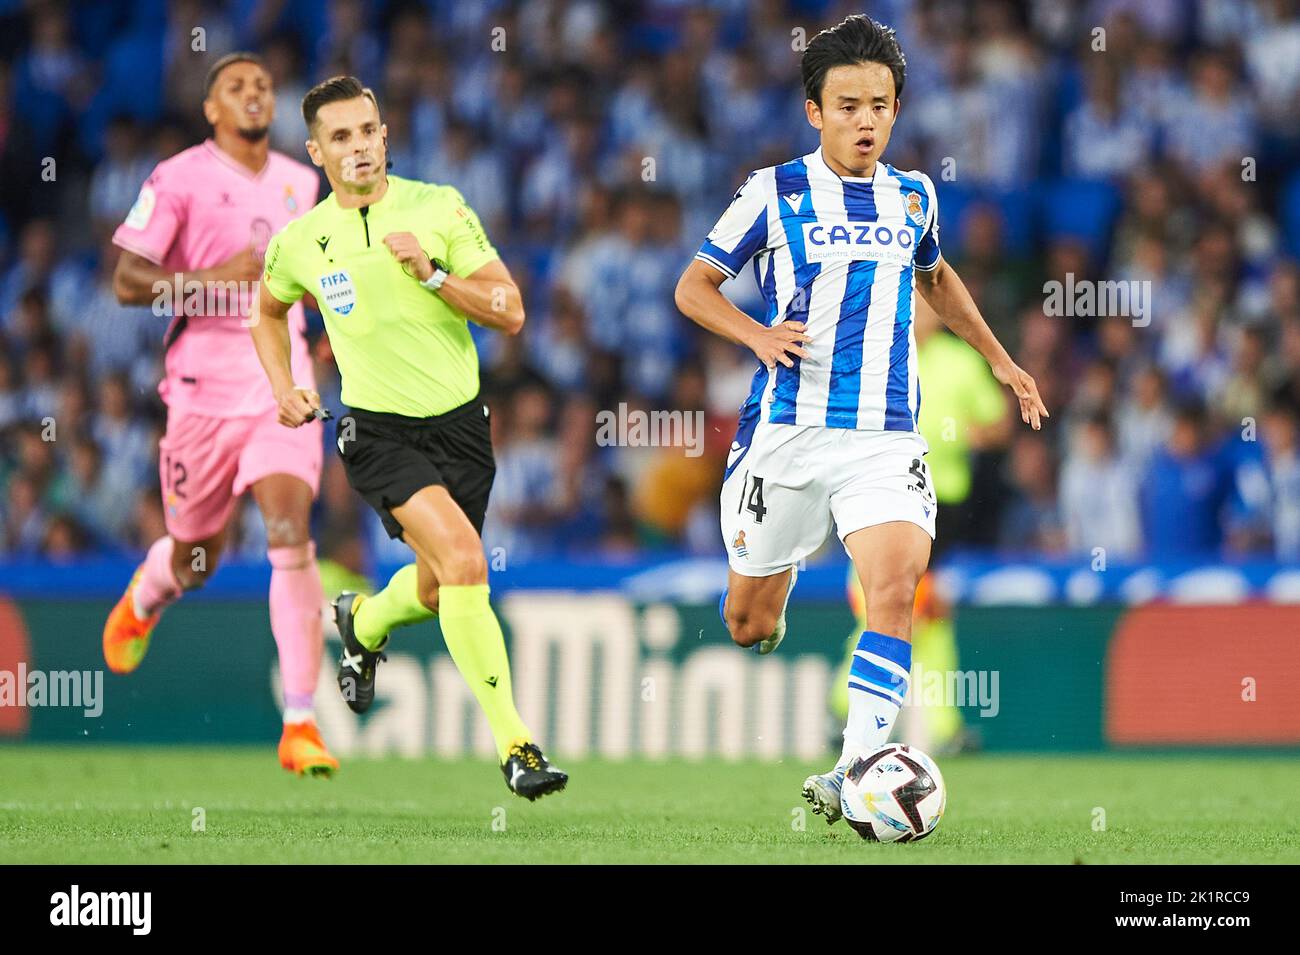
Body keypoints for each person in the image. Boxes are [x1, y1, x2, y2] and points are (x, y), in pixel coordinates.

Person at [674, 16, 1046, 824]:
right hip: (789, 432)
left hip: (884, 437)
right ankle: (777, 583)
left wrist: (999, 358)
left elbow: (938, 278)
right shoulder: (771, 191)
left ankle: (853, 768)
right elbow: (694, 287)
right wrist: (757, 333)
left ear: (897, 108)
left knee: (894, 587)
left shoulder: (913, 195)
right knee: (747, 622)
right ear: (815, 111)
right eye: (847, 105)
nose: (865, 120)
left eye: (879, 104)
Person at [249, 76, 566, 800]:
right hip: (376, 432)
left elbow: (510, 310)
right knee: (463, 560)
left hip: (462, 428)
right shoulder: (301, 241)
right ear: (316, 151)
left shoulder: (439, 207)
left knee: (435, 585)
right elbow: (265, 314)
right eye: (341, 137)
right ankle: (516, 744)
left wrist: (435, 276)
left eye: (368, 131)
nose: (358, 147)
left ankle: (361, 621)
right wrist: (283, 385)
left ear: (384, 134)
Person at [101, 53, 336, 777]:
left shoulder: (305, 183)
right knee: (197, 558)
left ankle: (299, 722)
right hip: (201, 390)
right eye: (236, 86)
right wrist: (209, 281)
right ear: (211, 109)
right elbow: (126, 282)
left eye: (263, 85)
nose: (253, 94)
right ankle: (149, 591)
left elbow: (326, 281)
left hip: (281, 385)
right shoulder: (177, 178)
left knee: (289, 530)